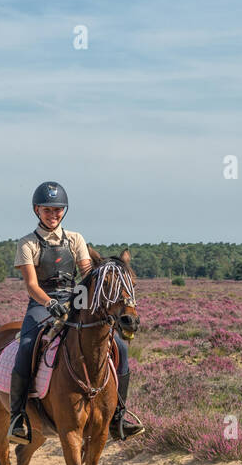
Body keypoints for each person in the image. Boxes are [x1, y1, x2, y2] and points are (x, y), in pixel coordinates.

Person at [7, 181, 143, 444]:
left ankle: (119, 416)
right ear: (37, 210)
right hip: (41, 304)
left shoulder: (76, 239)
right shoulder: (27, 244)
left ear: (64, 211)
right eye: (48, 210)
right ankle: (18, 416)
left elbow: (86, 275)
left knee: (120, 348)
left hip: (75, 301)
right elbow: (32, 285)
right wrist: (49, 304)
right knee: (26, 345)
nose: (53, 214)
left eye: (58, 210)